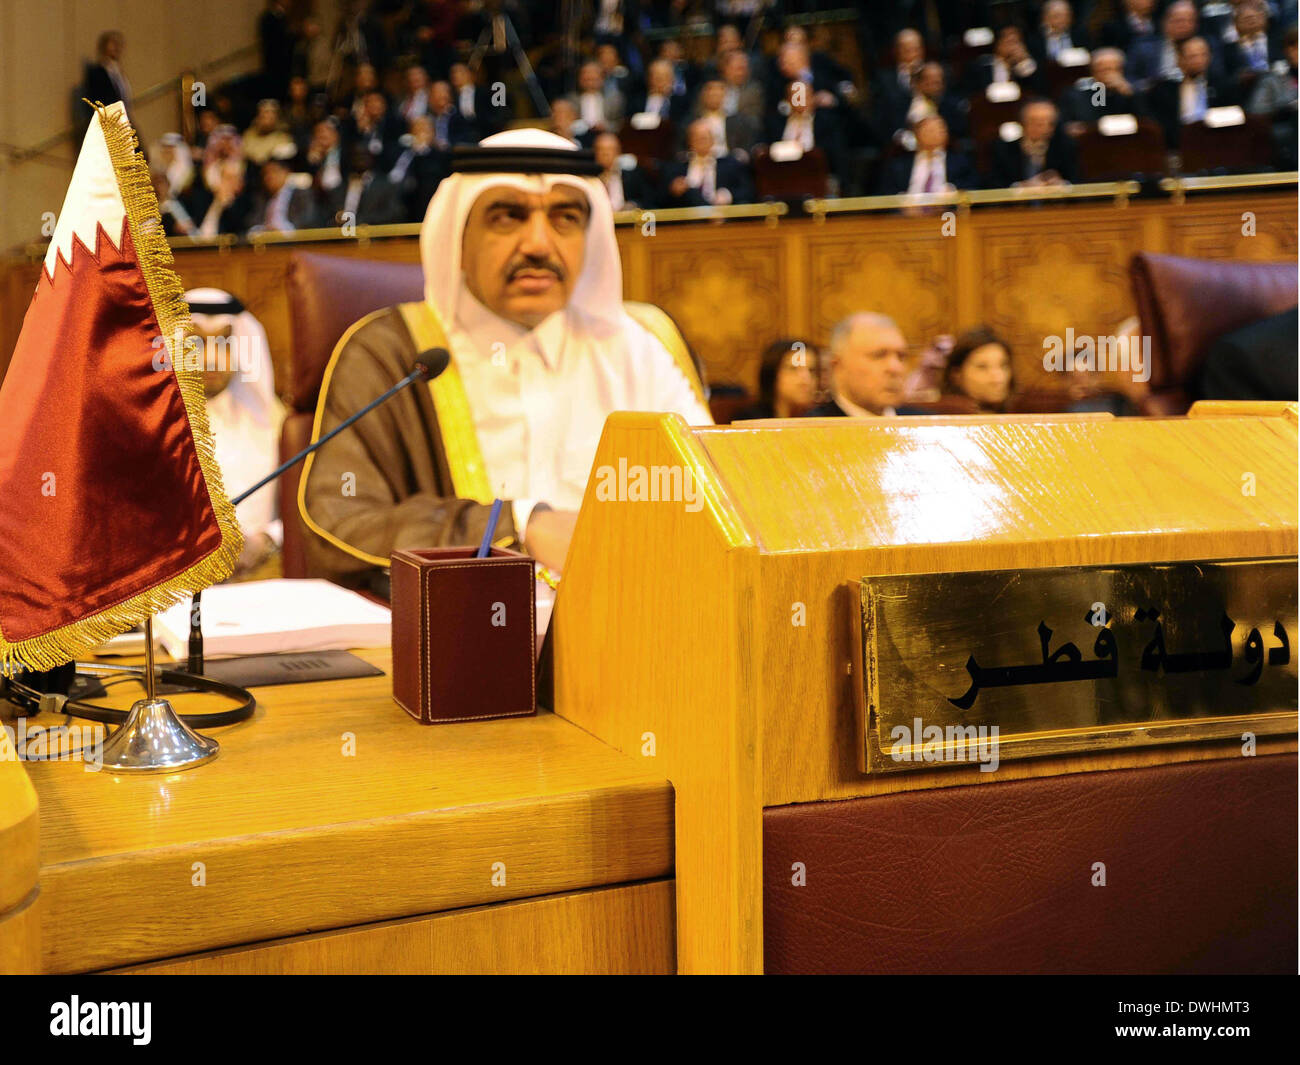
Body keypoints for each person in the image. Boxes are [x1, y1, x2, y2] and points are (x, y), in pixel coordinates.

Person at [298, 129, 713, 595]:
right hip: (463, 645)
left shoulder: (640, 348)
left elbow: (712, 504)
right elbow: (340, 524)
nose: (537, 244)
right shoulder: (395, 354)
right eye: (507, 217)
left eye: (565, 218)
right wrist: (515, 525)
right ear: (459, 235)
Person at [185, 288, 284, 579]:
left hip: (260, 582)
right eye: (195, 342)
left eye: (225, 341)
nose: (211, 358)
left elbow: (307, 511)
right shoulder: (143, 426)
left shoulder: (279, 425)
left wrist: (266, 541)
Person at [803, 313, 911, 417]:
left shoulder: (922, 424)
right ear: (837, 367)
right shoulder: (809, 430)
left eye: (901, 357)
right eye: (878, 355)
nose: (895, 368)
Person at [988, 99, 1078, 187]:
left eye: (1050, 123)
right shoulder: (1004, 149)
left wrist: (1063, 185)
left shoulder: (1065, 147)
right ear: (1023, 123)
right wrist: (1020, 187)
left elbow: (1077, 181)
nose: (1045, 128)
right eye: (1038, 123)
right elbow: (993, 184)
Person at [733, 339, 820, 420]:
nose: (807, 379)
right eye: (793, 369)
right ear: (772, 374)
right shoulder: (752, 420)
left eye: (811, 370)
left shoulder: (821, 417)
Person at [942, 327, 1015, 412]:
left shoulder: (1023, 418)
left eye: (1003, 365)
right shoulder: (939, 419)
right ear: (956, 375)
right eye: (982, 367)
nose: (998, 377)